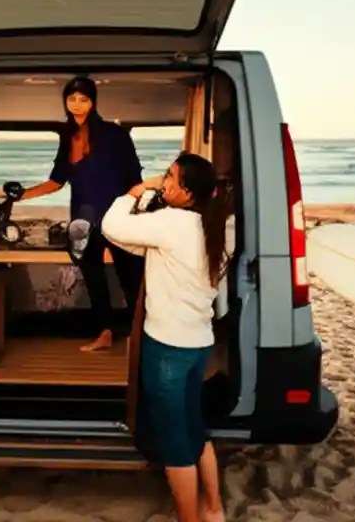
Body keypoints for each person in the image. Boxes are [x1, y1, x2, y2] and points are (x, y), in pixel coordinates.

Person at [99, 152, 230, 522]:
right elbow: (136, 244)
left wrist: (137, 191)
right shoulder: (213, 227)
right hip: (198, 343)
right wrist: (148, 200)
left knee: (175, 444)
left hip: (168, 347)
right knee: (195, 428)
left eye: (170, 178)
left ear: (186, 192)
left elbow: (111, 225)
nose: (164, 181)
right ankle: (214, 510)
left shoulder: (172, 223)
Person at [14, 75, 147, 352]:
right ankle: (105, 334)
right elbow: (57, 181)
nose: (77, 104)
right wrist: (19, 195)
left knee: (131, 279)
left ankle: (143, 336)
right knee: (94, 280)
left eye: (83, 99)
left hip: (117, 218)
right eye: (72, 98)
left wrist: (143, 213)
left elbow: (134, 180)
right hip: (83, 221)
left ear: (93, 102)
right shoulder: (66, 138)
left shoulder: (114, 134)